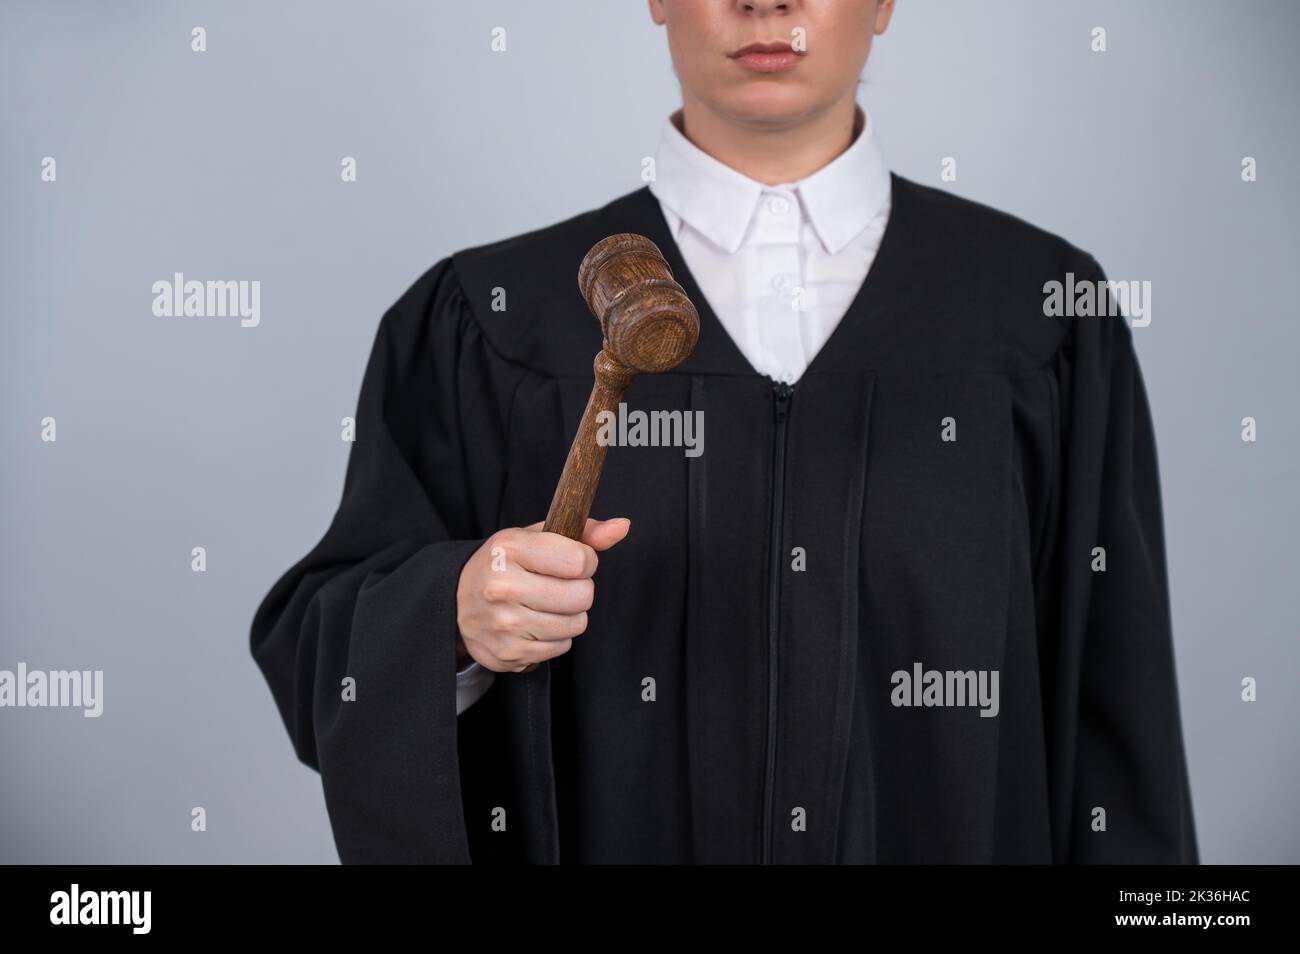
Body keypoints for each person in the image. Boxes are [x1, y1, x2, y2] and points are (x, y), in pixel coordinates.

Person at [251, 0, 1198, 864]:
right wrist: (452, 618)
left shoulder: (1040, 317)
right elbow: (319, 653)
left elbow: (1117, 720)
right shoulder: (493, 320)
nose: (767, 3)